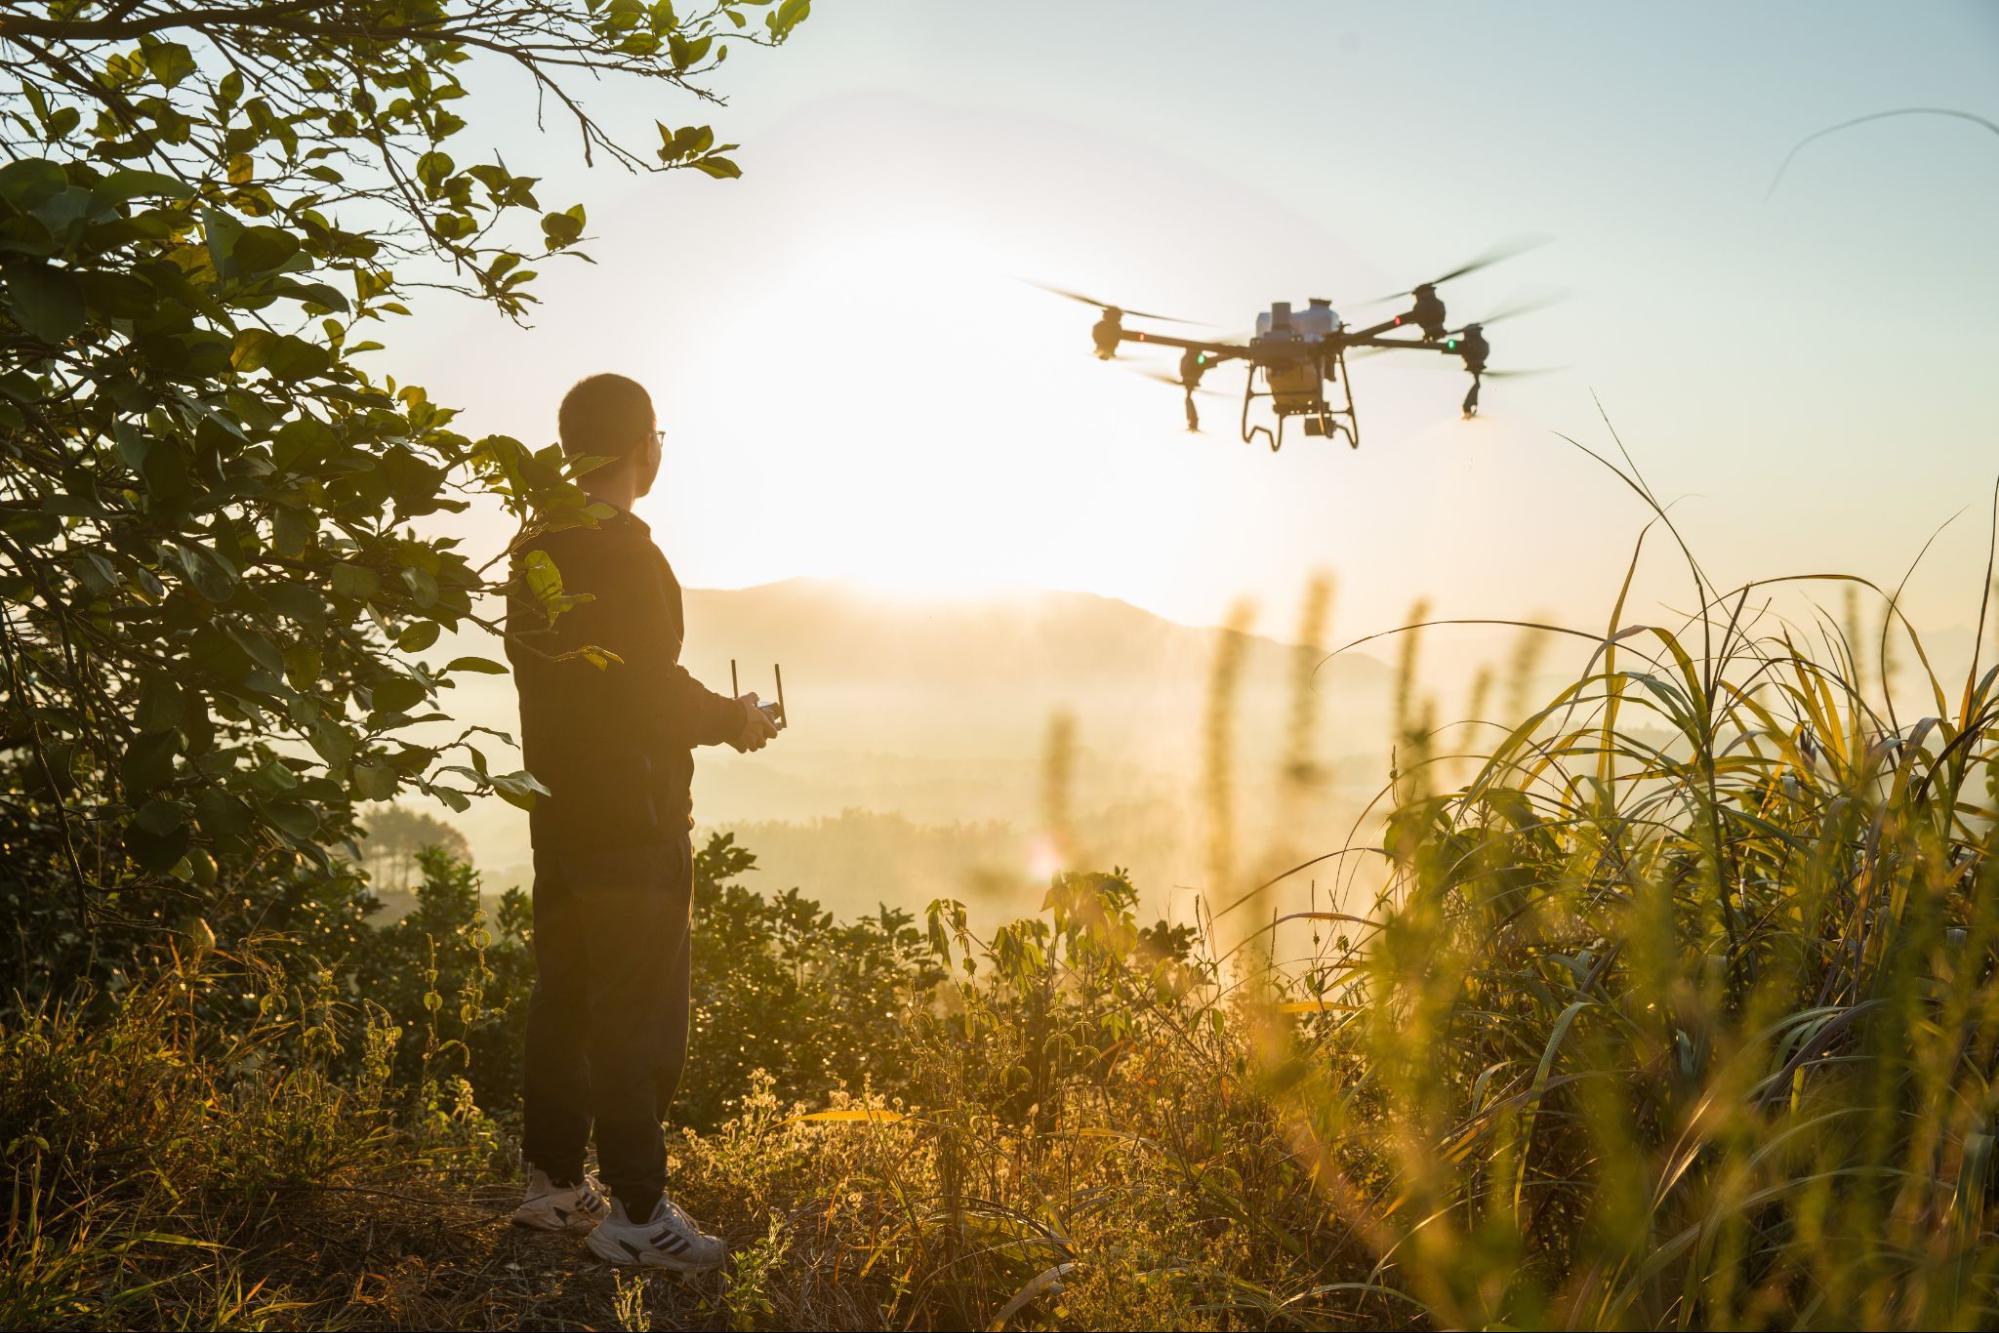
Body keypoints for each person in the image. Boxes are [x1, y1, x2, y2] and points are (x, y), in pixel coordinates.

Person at [502, 372, 780, 1270]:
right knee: (637, 1017)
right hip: (634, 819)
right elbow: (646, 691)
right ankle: (637, 1211)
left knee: (565, 998)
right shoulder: (625, 553)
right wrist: (734, 719)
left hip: (560, 815)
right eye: (657, 438)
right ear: (642, 447)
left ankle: (551, 1185)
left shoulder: (534, 544)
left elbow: (587, 688)